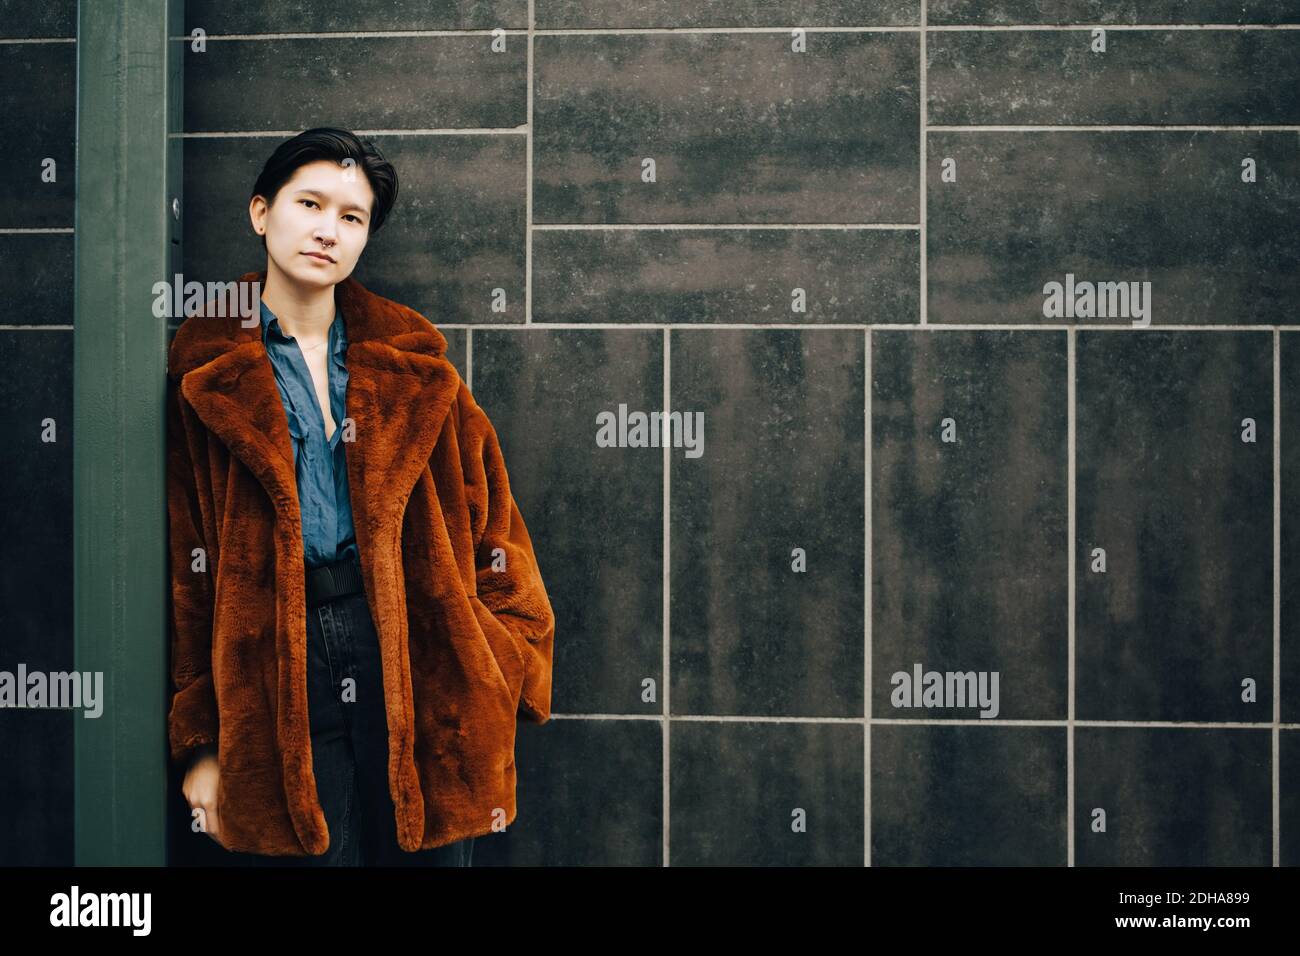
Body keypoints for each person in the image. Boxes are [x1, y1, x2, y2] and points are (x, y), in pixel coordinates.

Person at [167, 128, 555, 866]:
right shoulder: (206, 374)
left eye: (352, 217)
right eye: (309, 203)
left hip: (415, 644)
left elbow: (495, 524)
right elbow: (189, 580)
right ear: (260, 213)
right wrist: (202, 745)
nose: (328, 230)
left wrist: (504, 661)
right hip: (278, 657)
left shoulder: (415, 366)